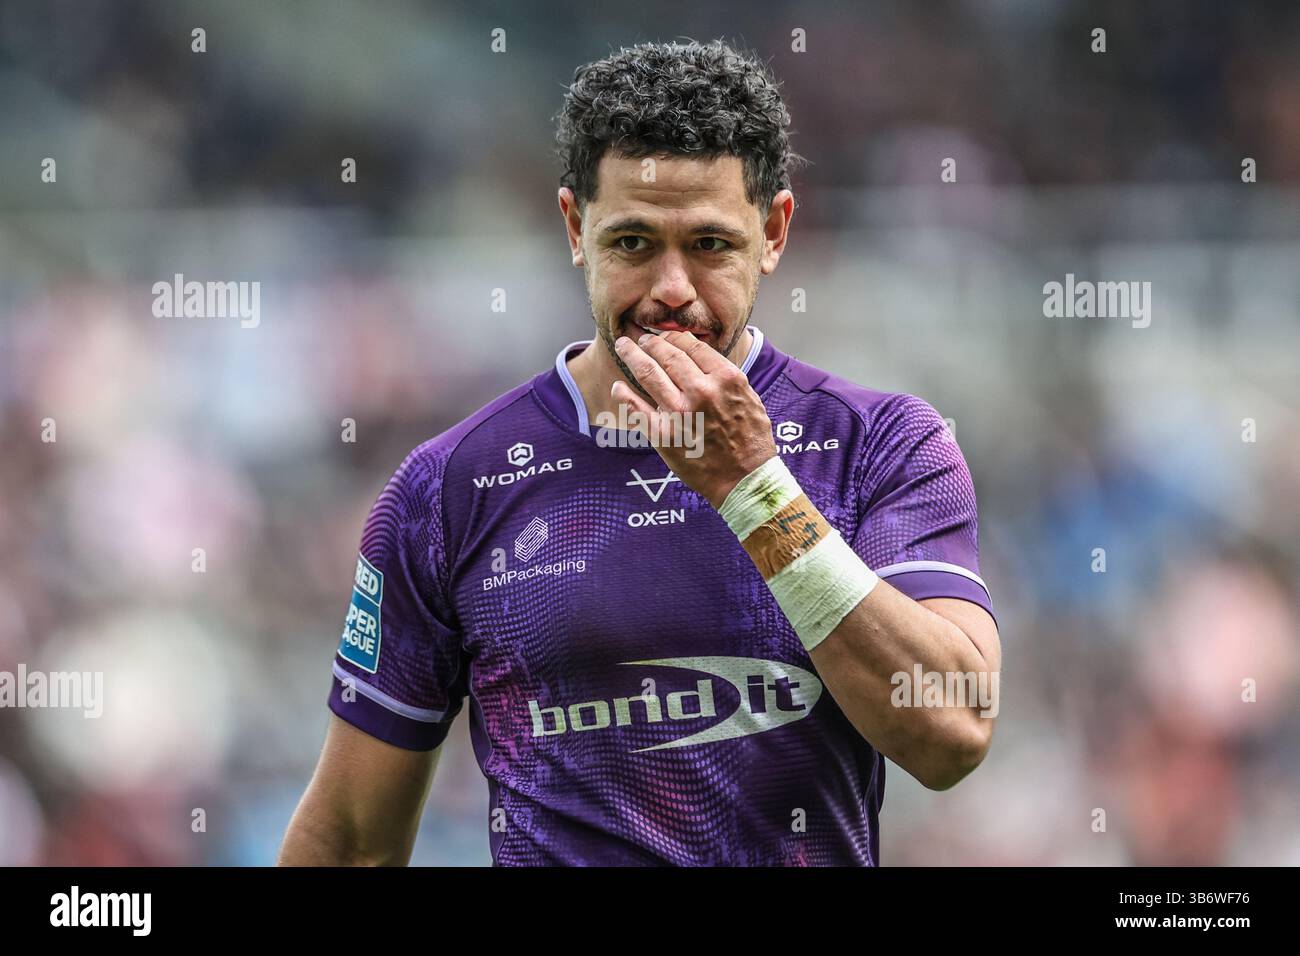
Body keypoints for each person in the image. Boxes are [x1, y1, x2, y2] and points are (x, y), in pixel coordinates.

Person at [279, 38, 1000, 867]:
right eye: (632, 243)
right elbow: (349, 840)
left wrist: (754, 492)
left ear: (773, 232)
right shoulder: (449, 488)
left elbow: (952, 732)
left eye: (709, 246)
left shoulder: (882, 445)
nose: (671, 291)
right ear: (573, 228)